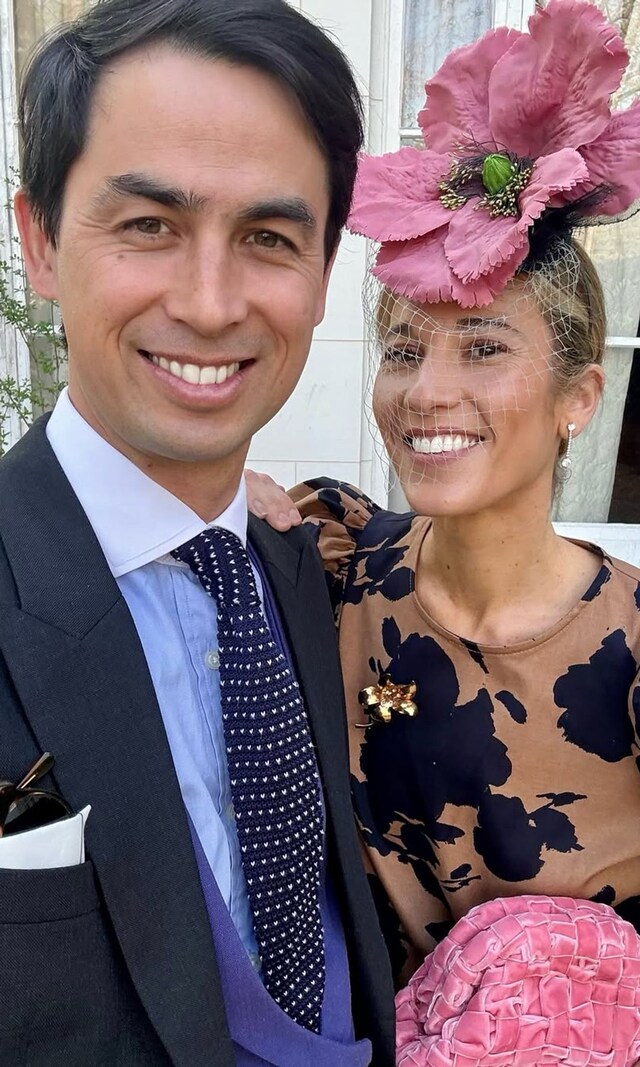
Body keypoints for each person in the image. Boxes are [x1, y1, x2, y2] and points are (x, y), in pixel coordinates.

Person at [0, 1, 395, 1064]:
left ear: (322, 268)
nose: (213, 303)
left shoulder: (306, 563)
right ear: (38, 239)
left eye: (268, 238)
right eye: (147, 226)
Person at [247, 0, 640, 1010]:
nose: (426, 391)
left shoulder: (632, 644)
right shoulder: (327, 570)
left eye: (484, 348)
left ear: (578, 398)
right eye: (404, 350)